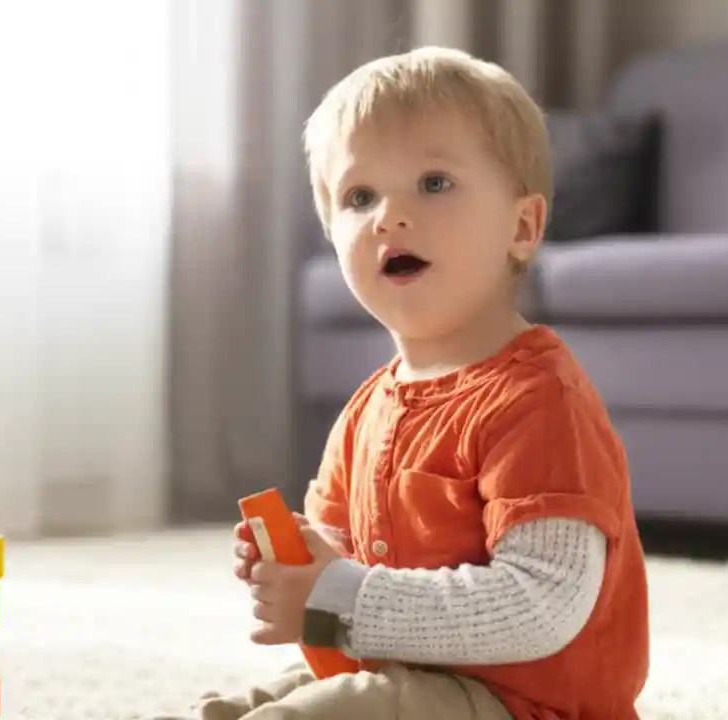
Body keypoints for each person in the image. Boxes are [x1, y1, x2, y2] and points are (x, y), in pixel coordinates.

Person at [196, 45, 648, 720]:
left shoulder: (541, 400)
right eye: (359, 196)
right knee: (259, 702)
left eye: (433, 183)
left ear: (522, 227)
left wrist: (339, 592)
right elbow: (344, 561)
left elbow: (541, 606)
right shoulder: (367, 410)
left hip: (524, 705)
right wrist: (303, 567)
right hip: (410, 681)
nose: (389, 216)